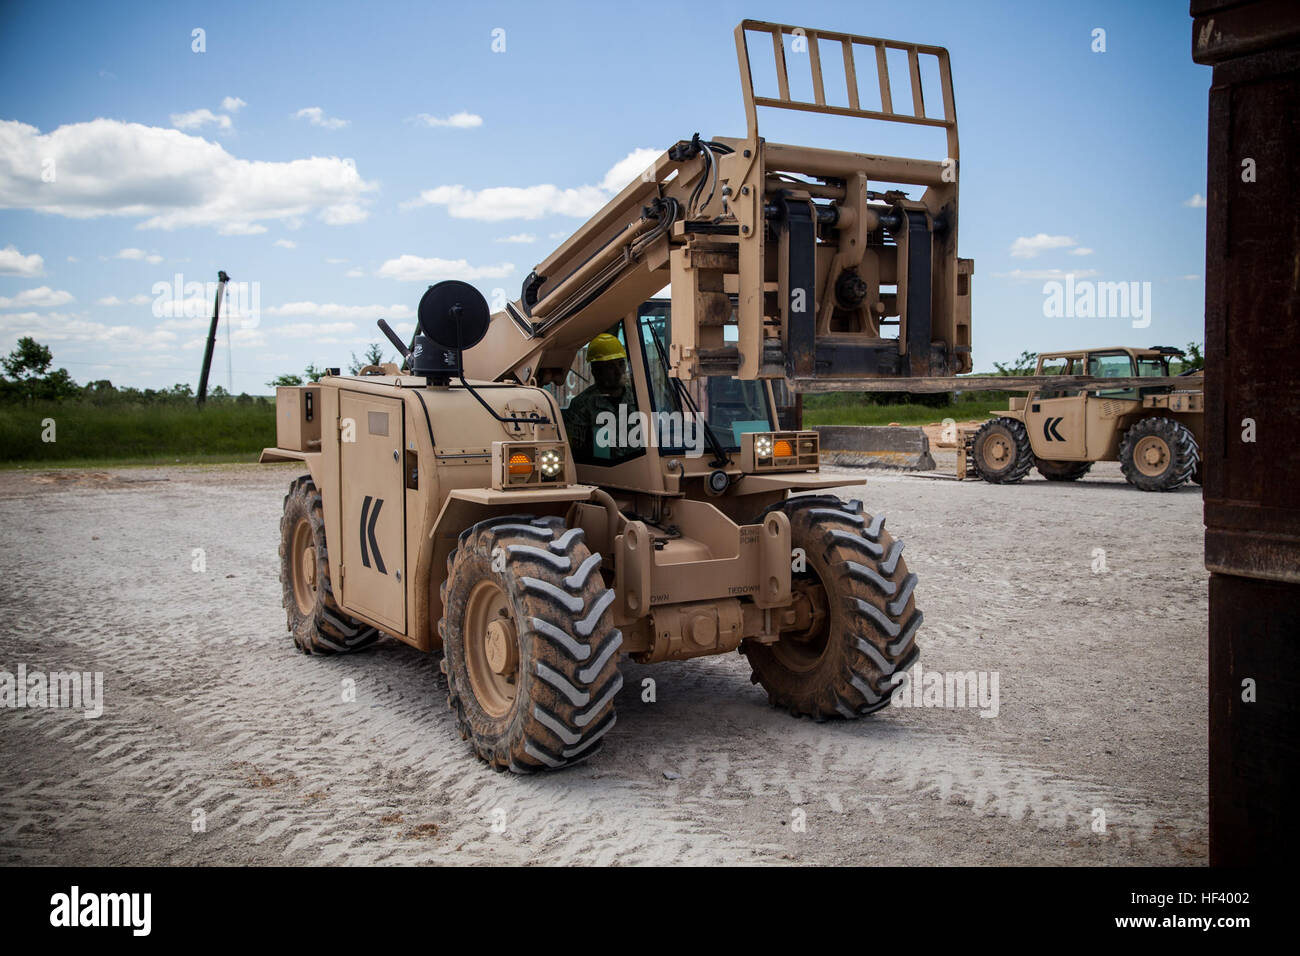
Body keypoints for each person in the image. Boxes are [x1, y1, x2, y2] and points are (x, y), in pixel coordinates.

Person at [563, 332, 639, 464]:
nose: (619, 371)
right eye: (610, 366)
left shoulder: (640, 399)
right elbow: (575, 455)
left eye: (621, 364)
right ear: (596, 371)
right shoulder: (581, 406)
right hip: (601, 475)